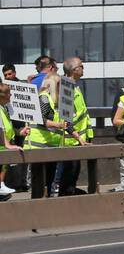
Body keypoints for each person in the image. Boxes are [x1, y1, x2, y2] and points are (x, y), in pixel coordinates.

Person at [25, 71, 75, 196]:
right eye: (59, 84)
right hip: (38, 145)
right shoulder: (44, 98)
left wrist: (79, 138)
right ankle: (37, 205)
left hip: (51, 146)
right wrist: (57, 125)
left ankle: (45, 204)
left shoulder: (58, 101)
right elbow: (40, 119)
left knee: (49, 178)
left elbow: (66, 123)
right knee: (39, 180)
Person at [53, 56, 92, 195]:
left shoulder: (73, 85)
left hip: (76, 140)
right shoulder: (67, 87)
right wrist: (78, 138)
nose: (83, 68)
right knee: (69, 176)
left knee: (73, 175)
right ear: (74, 70)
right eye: (81, 66)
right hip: (71, 141)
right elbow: (66, 120)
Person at [0, 81, 20, 197]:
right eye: (9, 93)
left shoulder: (4, 108)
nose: (11, 95)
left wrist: (19, 132)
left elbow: (4, 127)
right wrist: (7, 144)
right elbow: (0, 129)